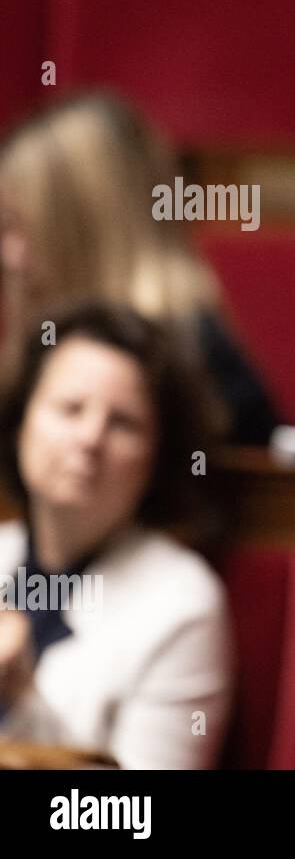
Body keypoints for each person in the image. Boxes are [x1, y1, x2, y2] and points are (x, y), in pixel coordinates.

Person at [0, 302, 234, 768]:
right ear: (22, 423)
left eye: (122, 422)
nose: (90, 438)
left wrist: (21, 697)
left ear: (157, 456)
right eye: (69, 409)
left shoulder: (181, 604)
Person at [0, 92, 280, 446]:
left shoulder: (193, 363)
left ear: (88, 229)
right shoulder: (47, 345)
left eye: (22, 227)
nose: (9, 256)